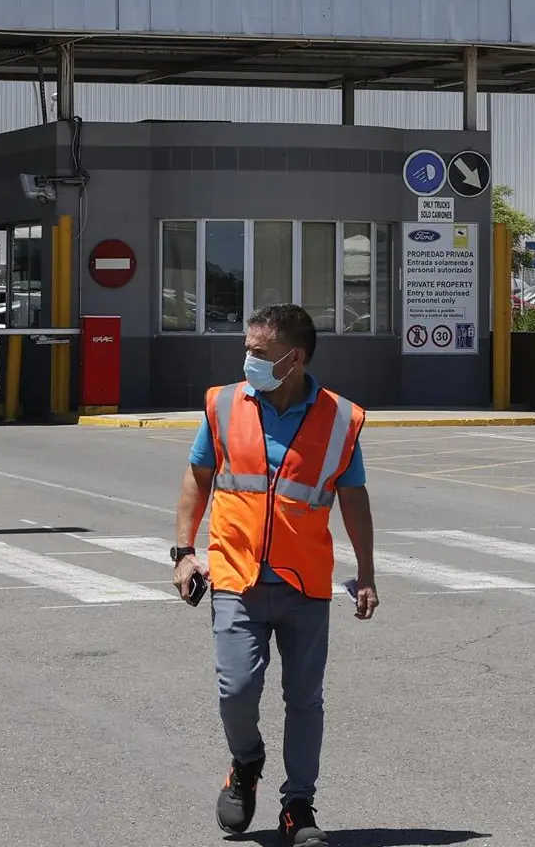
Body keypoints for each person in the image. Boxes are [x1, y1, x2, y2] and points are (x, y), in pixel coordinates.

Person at [171, 303, 378, 847]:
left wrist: (368, 571)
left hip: (305, 583)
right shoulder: (223, 405)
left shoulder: (339, 418)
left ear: (295, 358)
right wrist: (183, 552)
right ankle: (246, 763)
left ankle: (299, 806)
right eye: (247, 349)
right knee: (236, 689)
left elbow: (353, 499)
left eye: (259, 353)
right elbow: (199, 476)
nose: (248, 360)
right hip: (237, 576)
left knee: (305, 698)